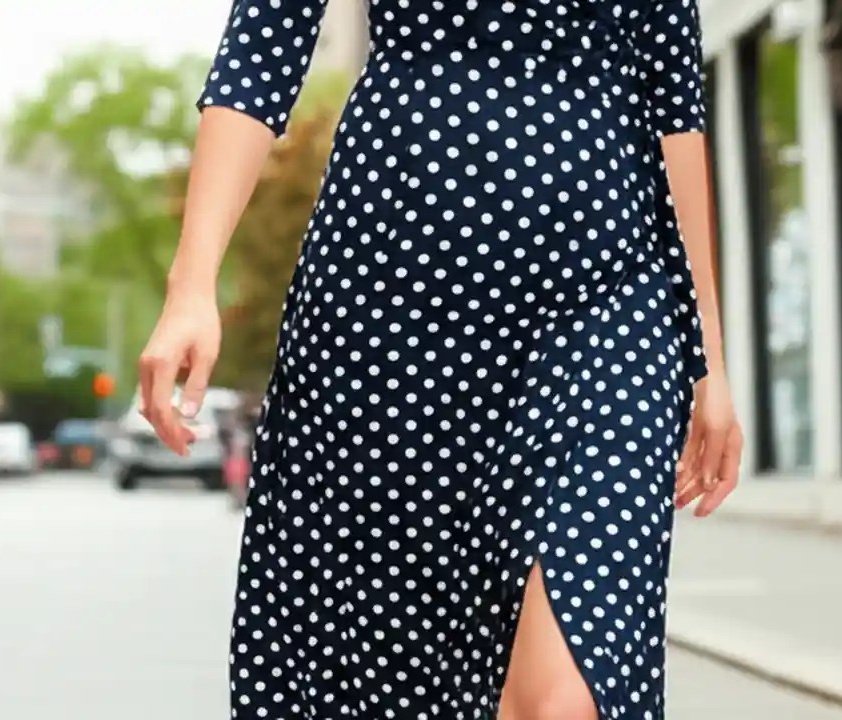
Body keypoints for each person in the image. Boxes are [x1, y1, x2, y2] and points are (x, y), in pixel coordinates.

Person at [137, 1, 743, 718]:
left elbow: (673, 101)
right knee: (397, 674)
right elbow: (263, 48)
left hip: (609, 296)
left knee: (570, 692)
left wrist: (708, 350)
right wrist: (191, 283)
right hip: (395, 296)